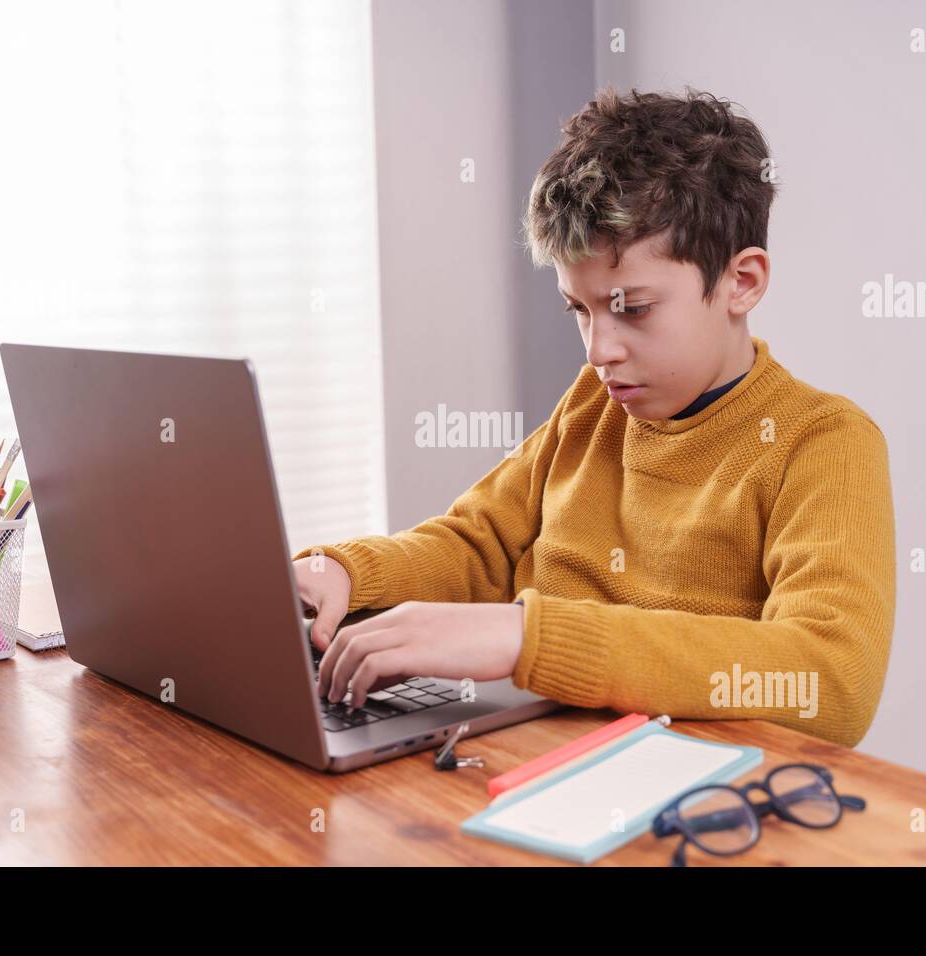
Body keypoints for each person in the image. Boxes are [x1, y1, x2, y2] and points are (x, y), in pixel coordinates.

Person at [294, 86, 895, 748]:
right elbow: (477, 547)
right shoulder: (591, 407)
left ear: (741, 282)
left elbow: (831, 678)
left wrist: (531, 636)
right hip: (536, 753)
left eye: (632, 308)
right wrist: (345, 573)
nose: (598, 350)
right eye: (578, 310)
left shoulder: (824, 442)